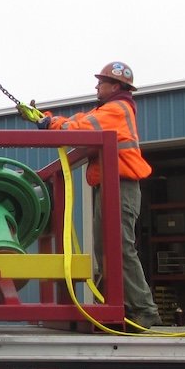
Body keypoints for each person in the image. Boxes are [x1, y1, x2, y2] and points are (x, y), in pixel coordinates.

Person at [30, 61, 161, 329]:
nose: (96, 86)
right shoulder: (109, 110)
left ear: (115, 86)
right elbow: (78, 122)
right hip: (113, 187)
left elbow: (79, 129)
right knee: (106, 248)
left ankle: (144, 310)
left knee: (119, 248)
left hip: (121, 186)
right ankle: (118, 307)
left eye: (101, 82)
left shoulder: (116, 110)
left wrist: (50, 124)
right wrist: (45, 118)